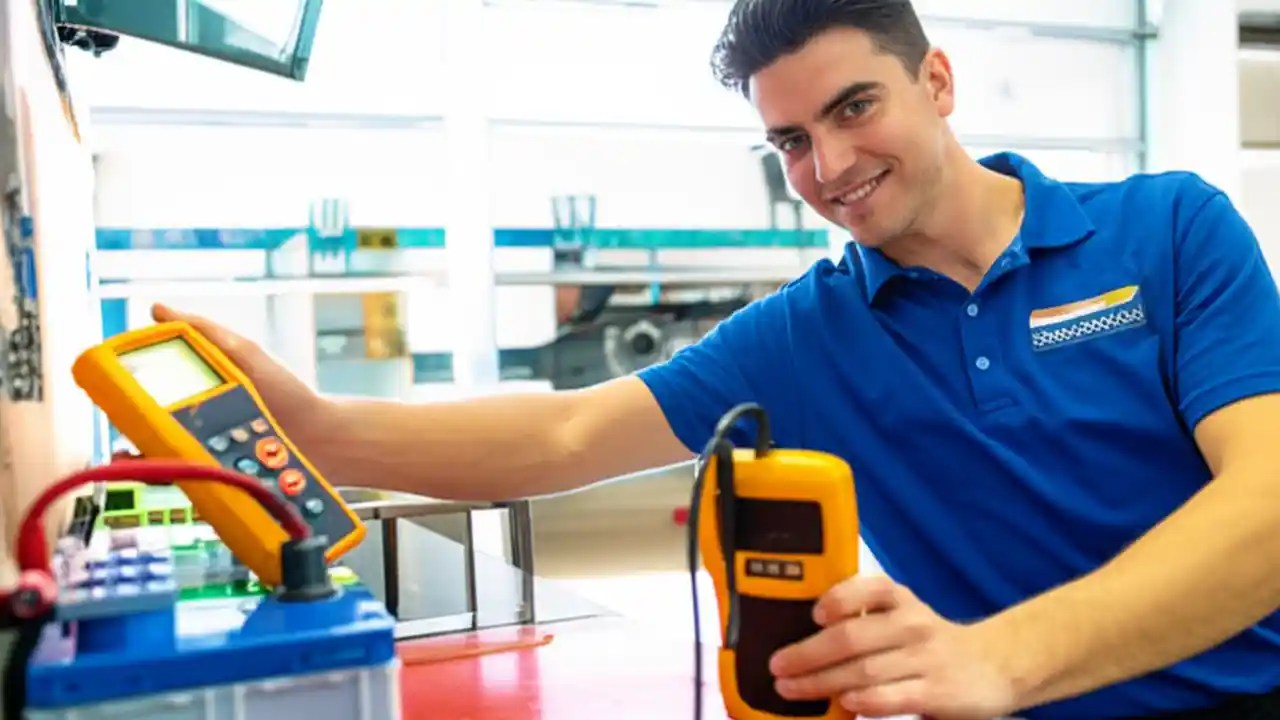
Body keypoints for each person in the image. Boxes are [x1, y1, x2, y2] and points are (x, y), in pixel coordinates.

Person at [153, 0, 1280, 718]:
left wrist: (1001, 661)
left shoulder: (1167, 230)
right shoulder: (809, 331)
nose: (828, 165)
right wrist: (316, 423)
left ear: (935, 82)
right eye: (790, 139)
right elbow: (567, 432)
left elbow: (1269, 509)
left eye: (853, 107)